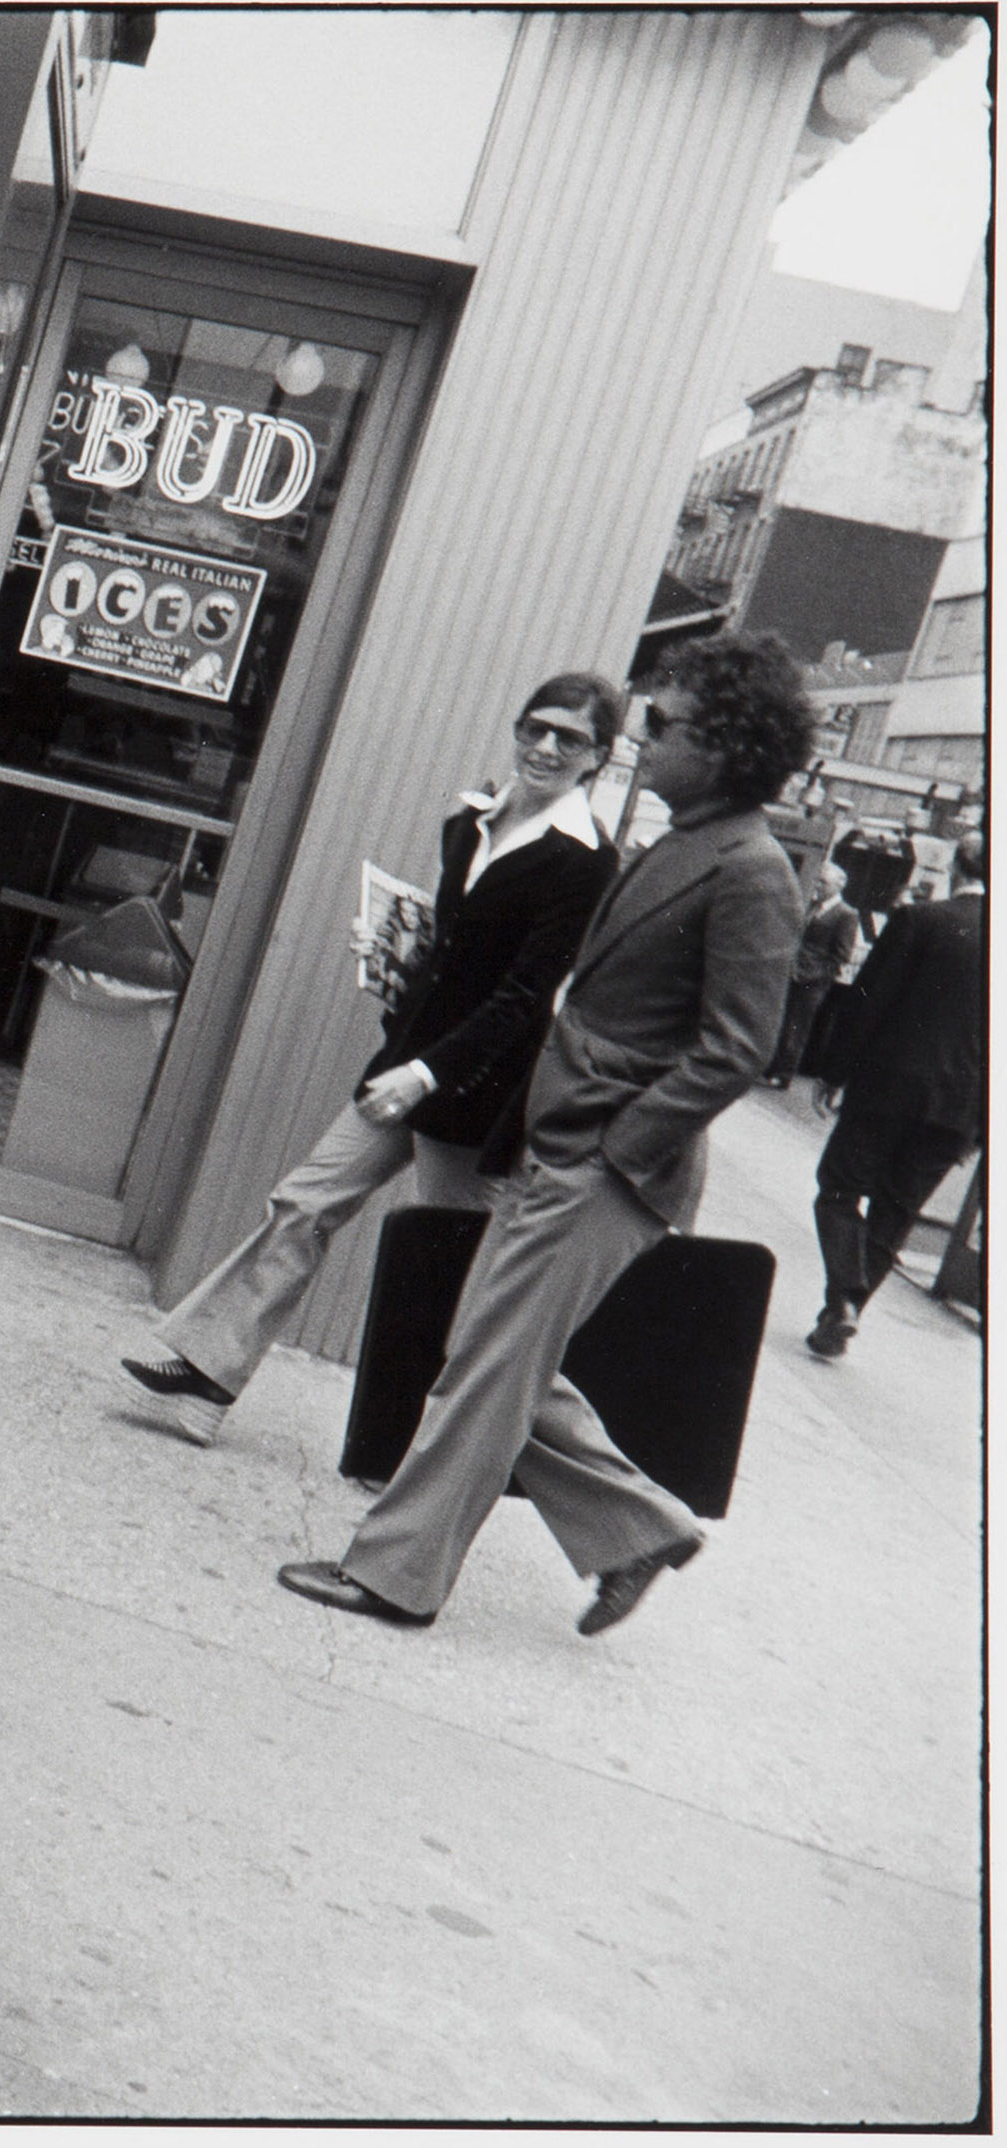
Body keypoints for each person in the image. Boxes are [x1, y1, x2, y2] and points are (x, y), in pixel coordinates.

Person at [280, 632, 811, 1635]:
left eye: (661, 725)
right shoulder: (679, 841)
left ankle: (395, 1575)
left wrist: (617, 1145)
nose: (637, 741)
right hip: (563, 1144)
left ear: (728, 743)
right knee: (489, 1351)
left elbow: (735, 1047)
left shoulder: (750, 870)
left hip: (606, 1166)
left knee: (483, 1365)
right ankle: (639, 1525)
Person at [122, 674, 623, 1442]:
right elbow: (457, 946)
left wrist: (425, 1073)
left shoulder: (583, 861)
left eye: (572, 739)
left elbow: (524, 994)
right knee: (305, 1205)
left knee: (471, 1289)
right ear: (518, 728)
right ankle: (208, 1380)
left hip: (474, 1092)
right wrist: (396, 954)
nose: (548, 748)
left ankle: (603, 1487)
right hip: (406, 1064)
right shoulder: (472, 821)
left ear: (599, 758)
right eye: (537, 728)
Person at [805, 833, 984, 1357]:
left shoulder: (921, 920)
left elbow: (869, 1002)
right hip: (959, 1109)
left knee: (839, 1187)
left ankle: (842, 1299)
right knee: (897, 1211)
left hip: (888, 1087)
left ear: (955, 864)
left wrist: (833, 1072)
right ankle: (845, 1313)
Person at [763, 861, 858, 1086]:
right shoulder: (814, 906)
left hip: (813, 981)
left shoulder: (846, 914)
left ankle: (783, 1074)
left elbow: (841, 954)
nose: (818, 885)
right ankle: (771, 1067)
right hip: (794, 972)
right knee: (783, 1021)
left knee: (798, 1027)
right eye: (818, 880)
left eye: (823, 882)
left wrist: (816, 975)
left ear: (838, 886)